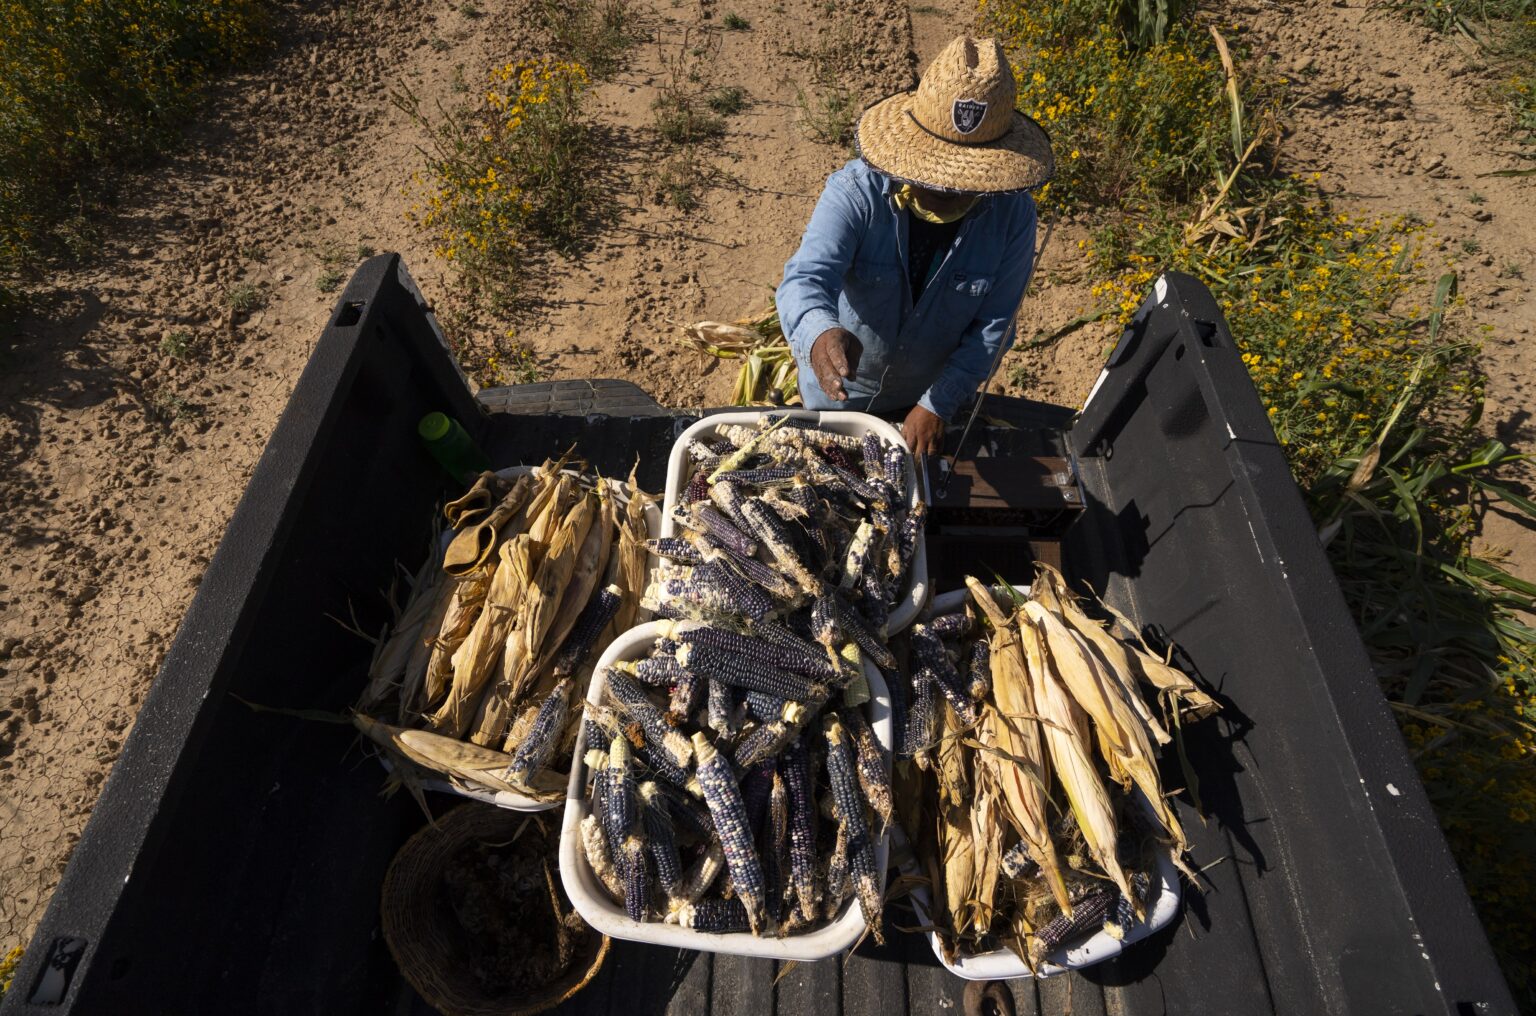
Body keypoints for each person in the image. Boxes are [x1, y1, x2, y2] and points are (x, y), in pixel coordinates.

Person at [776, 35, 1054, 456]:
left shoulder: (1012, 218)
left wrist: (938, 402)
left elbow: (995, 325)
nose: (947, 190)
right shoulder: (855, 192)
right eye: (936, 177)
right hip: (840, 396)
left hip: (924, 402)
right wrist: (819, 334)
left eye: (965, 183)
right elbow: (806, 279)